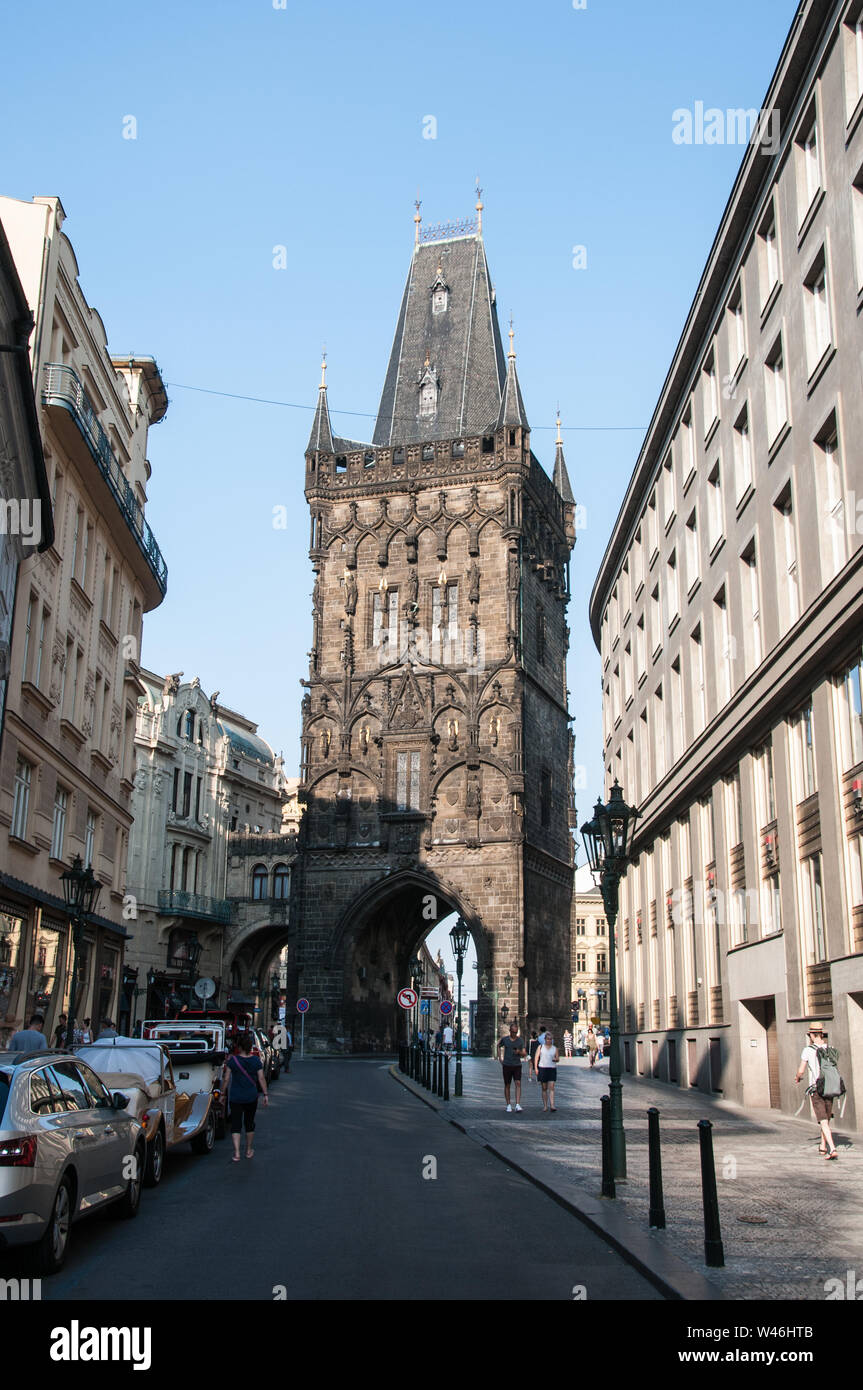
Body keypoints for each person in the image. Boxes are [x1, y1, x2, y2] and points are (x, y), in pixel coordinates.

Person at [795, 1022, 839, 1160]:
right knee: (825, 1118)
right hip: (831, 1087)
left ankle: (832, 1149)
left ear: (812, 1035)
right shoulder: (830, 1048)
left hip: (817, 1089)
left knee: (823, 1120)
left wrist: (797, 1078)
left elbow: (801, 1070)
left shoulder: (808, 1050)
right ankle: (822, 1145)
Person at [223, 1030, 268, 1161]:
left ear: (239, 1047)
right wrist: (265, 1094)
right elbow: (261, 1078)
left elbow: (226, 1079)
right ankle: (248, 1150)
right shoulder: (256, 1060)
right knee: (249, 1123)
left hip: (236, 1097)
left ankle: (237, 1153)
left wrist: (221, 1093)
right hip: (251, 1097)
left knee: (236, 1125)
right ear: (250, 1047)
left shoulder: (233, 1061)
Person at [498, 1020, 525, 1113]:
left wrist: (519, 1052)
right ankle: (508, 1104)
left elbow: (524, 1053)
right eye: (513, 1032)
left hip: (517, 1065)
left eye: (516, 1032)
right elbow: (498, 1045)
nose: (515, 1034)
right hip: (507, 1064)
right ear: (510, 1031)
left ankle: (517, 1104)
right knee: (507, 1085)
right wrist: (500, 1058)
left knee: (518, 1083)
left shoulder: (520, 1040)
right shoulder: (505, 1039)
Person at [536, 1031, 560, 1112]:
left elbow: (558, 1058)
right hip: (542, 1068)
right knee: (544, 1088)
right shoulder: (541, 1047)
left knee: (552, 1087)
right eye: (547, 1039)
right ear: (545, 1039)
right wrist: (536, 1068)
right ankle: (545, 1106)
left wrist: (556, 1059)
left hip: (552, 1068)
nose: (549, 1040)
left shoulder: (555, 1048)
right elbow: (536, 1057)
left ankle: (552, 1105)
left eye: (550, 1039)